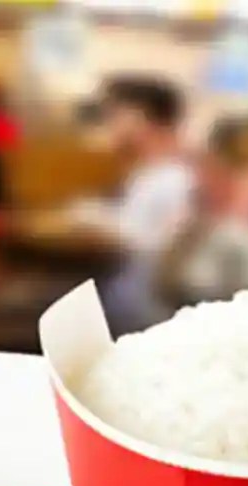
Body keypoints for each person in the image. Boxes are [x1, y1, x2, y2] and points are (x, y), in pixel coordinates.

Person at [93, 76, 195, 333]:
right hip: (127, 298)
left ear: (141, 119)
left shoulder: (176, 177)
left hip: (146, 310)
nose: (110, 124)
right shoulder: (149, 172)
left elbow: (158, 245)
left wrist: (96, 224)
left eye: (117, 114)